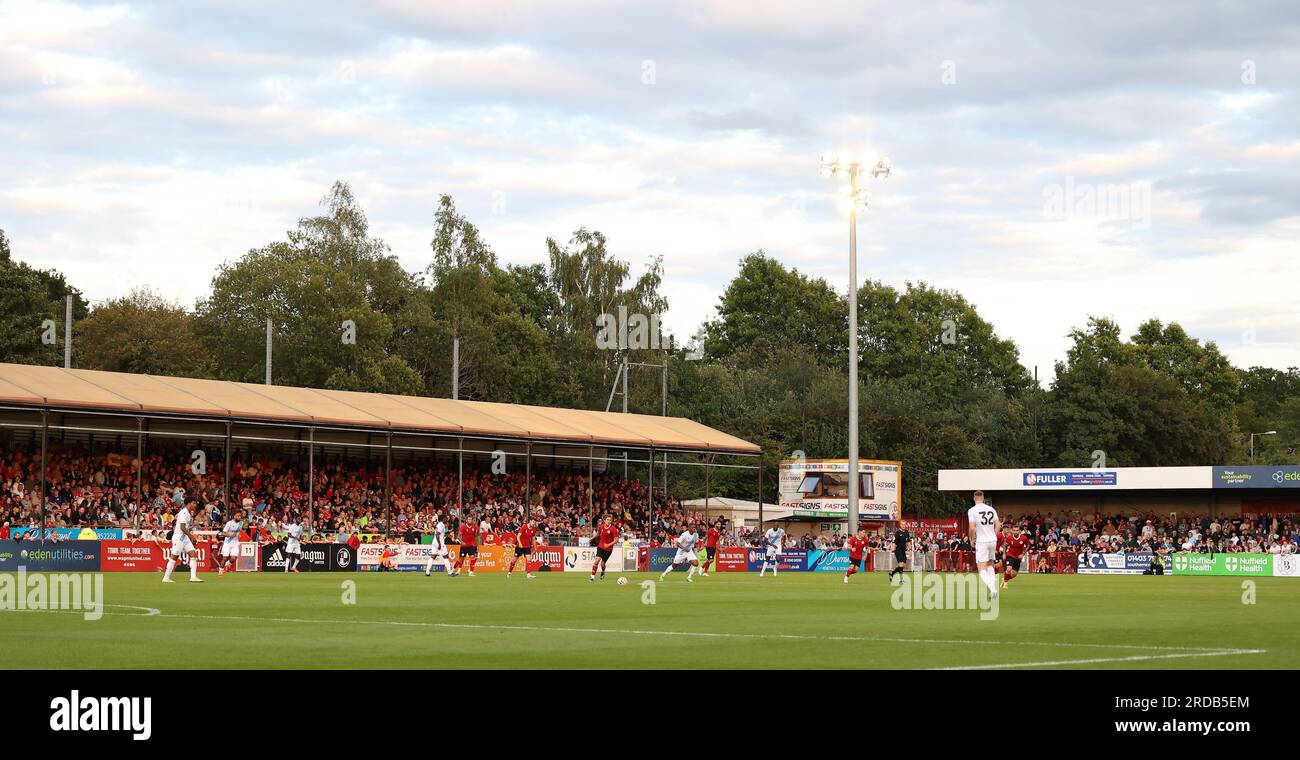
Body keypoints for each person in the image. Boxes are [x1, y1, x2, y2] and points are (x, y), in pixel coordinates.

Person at [967, 490, 1000, 597]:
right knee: (990, 565)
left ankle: (992, 588)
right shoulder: (991, 509)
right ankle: (993, 589)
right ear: (983, 498)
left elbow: (972, 528)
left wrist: (972, 539)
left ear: (974, 498)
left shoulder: (972, 510)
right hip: (992, 540)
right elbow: (998, 525)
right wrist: (993, 535)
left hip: (982, 541)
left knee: (981, 568)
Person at [163, 498, 203, 583]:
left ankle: (193, 577)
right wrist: (191, 537)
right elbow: (182, 527)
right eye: (193, 503)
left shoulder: (188, 514)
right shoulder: (183, 513)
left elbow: (186, 527)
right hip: (179, 537)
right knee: (175, 556)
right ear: (188, 503)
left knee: (193, 554)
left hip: (184, 537)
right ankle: (166, 577)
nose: (195, 505)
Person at [591, 514, 620, 582]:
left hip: (608, 549)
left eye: (610, 520)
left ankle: (603, 572)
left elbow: (616, 540)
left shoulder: (613, 529)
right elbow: (598, 533)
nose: (609, 521)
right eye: (607, 520)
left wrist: (608, 545)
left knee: (603, 564)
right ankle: (592, 577)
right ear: (604, 520)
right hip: (601, 546)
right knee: (597, 561)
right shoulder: (601, 527)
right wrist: (592, 538)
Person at [1001, 524, 1031, 589]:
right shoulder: (1009, 538)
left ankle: (1004, 578)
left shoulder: (1023, 538)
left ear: (1019, 531)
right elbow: (1005, 545)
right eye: (1014, 530)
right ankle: (1005, 583)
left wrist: (1023, 553)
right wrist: (1004, 554)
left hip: (1018, 557)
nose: (1015, 532)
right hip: (1010, 555)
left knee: (1014, 574)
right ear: (1012, 531)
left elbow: (1028, 545)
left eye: (1017, 530)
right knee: (1009, 569)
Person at [218, 509, 243, 576]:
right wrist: (230, 535)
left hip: (235, 543)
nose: (239, 517)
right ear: (234, 516)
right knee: (225, 558)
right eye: (238, 516)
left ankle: (228, 564)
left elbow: (238, 532)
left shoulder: (241, 523)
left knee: (234, 558)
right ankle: (221, 570)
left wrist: (239, 535)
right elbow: (223, 533)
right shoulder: (229, 523)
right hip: (228, 543)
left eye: (240, 516)